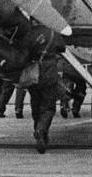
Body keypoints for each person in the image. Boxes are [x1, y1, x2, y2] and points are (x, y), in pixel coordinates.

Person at [22, 24, 65, 153]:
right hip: (49, 72)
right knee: (48, 106)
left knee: (35, 104)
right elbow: (62, 48)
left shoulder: (29, 33)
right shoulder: (53, 32)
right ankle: (41, 130)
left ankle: (39, 130)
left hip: (33, 73)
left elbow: (23, 51)